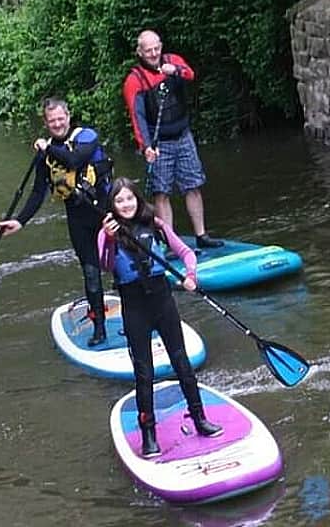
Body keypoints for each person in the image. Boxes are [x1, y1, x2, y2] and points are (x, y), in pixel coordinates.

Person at [97, 177, 223, 457]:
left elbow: (186, 252)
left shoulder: (155, 225)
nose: (125, 204)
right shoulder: (107, 232)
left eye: (129, 198)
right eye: (119, 200)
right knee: (144, 373)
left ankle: (200, 419)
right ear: (113, 206)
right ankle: (149, 434)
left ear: (137, 199)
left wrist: (191, 276)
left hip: (162, 300)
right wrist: (107, 237)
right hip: (134, 306)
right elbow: (106, 265)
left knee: (181, 362)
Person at [0, 98, 114, 347]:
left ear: (68, 116)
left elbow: (74, 161)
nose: (58, 124)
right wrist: (20, 221)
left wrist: (45, 148)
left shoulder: (86, 136)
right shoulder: (45, 155)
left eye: (61, 119)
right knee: (91, 274)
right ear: (46, 123)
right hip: (78, 219)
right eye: (52, 121)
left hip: (107, 213)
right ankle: (100, 328)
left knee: (123, 266)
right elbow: (38, 192)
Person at [122, 30, 223, 249]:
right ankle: (170, 242)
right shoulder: (134, 80)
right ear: (139, 52)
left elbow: (190, 74)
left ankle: (201, 235)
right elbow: (136, 116)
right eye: (148, 51)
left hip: (183, 135)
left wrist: (175, 71)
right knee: (162, 193)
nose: (153, 54)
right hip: (160, 144)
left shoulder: (173, 61)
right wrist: (146, 146)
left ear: (161, 46)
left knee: (193, 186)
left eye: (156, 48)